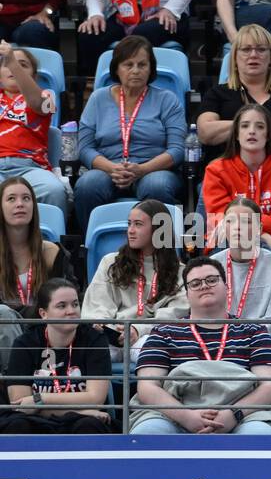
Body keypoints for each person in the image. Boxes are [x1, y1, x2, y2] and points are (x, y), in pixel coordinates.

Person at [130, 256, 271, 435]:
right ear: (186, 293)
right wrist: (186, 417)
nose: (204, 285)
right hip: (174, 413)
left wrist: (233, 415)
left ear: (227, 287)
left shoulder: (254, 330)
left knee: (260, 435)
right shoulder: (164, 331)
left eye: (211, 280)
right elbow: (147, 387)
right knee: (148, 433)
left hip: (243, 414)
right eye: (195, 283)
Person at [73, 36, 185, 230]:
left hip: (154, 168)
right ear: (116, 68)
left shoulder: (167, 99)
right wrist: (111, 168)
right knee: (87, 185)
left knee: (156, 186)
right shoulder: (98, 98)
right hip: (108, 168)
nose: (136, 70)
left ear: (151, 68)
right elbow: (85, 147)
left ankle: (162, 251)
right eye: (128, 64)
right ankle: (90, 246)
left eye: (142, 64)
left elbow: (177, 149)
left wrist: (142, 169)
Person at [0, 278, 112, 434]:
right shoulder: (25, 343)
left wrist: (40, 399)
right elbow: (21, 405)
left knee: (89, 425)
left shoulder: (94, 339)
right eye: (62, 306)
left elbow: (96, 398)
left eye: (75, 304)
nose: (71, 311)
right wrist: (79, 411)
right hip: (38, 420)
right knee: (17, 425)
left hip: (79, 421)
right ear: (43, 314)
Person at [196, 24, 271, 169]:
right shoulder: (217, 93)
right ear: (234, 58)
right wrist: (258, 125)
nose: (253, 55)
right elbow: (205, 132)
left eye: (261, 49)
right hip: (227, 172)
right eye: (246, 49)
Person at [82, 199, 186, 362]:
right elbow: (98, 304)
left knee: (154, 354)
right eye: (129, 224)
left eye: (138, 224)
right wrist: (104, 328)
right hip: (112, 337)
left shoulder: (180, 272)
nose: (130, 230)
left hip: (148, 337)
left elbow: (175, 317)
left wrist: (138, 330)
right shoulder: (111, 262)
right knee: (88, 354)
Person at [203, 103, 271, 258]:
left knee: (263, 251)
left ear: (269, 134)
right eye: (245, 126)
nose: (252, 131)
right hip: (228, 240)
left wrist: (258, 234)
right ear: (236, 133)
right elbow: (221, 220)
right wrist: (263, 234)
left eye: (260, 127)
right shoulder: (216, 171)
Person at [0, 178, 75, 367]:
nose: (20, 204)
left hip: (46, 330)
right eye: (11, 199)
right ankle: (17, 383)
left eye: (26, 198)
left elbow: (65, 298)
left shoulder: (51, 252)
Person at [0, 43, 67, 215]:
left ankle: (52, 241)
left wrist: (13, 63)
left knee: (54, 190)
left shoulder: (45, 96)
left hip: (31, 168)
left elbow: (39, 105)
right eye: (6, 64)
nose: (13, 68)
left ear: (34, 76)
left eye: (22, 65)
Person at [208, 199, 271, 325]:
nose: (237, 227)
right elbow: (205, 317)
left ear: (259, 228)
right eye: (230, 221)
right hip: (219, 340)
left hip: (261, 340)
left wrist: (246, 339)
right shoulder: (211, 266)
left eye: (246, 222)